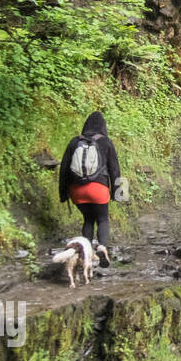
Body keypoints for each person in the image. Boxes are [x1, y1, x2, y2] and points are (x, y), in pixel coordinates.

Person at [58, 111, 121, 267]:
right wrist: (117, 193)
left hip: (77, 191)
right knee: (102, 219)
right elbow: (115, 170)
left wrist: (63, 194)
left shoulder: (74, 142)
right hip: (98, 189)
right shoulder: (106, 142)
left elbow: (64, 169)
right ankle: (101, 247)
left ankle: (87, 254)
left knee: (88, 219)